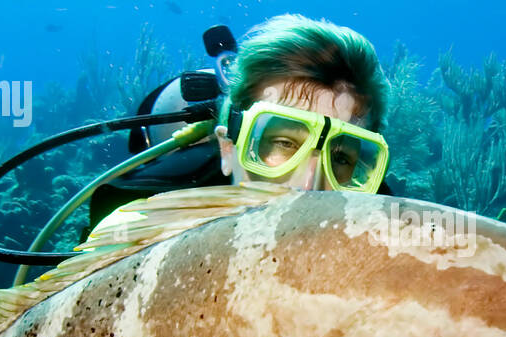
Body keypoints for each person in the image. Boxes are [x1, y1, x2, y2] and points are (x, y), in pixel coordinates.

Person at [87, 14, 393, 231]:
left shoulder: (390, 231)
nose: (308, 186)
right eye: (284, 143)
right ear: (227, 149)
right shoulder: (136, 226)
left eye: (341, 158)